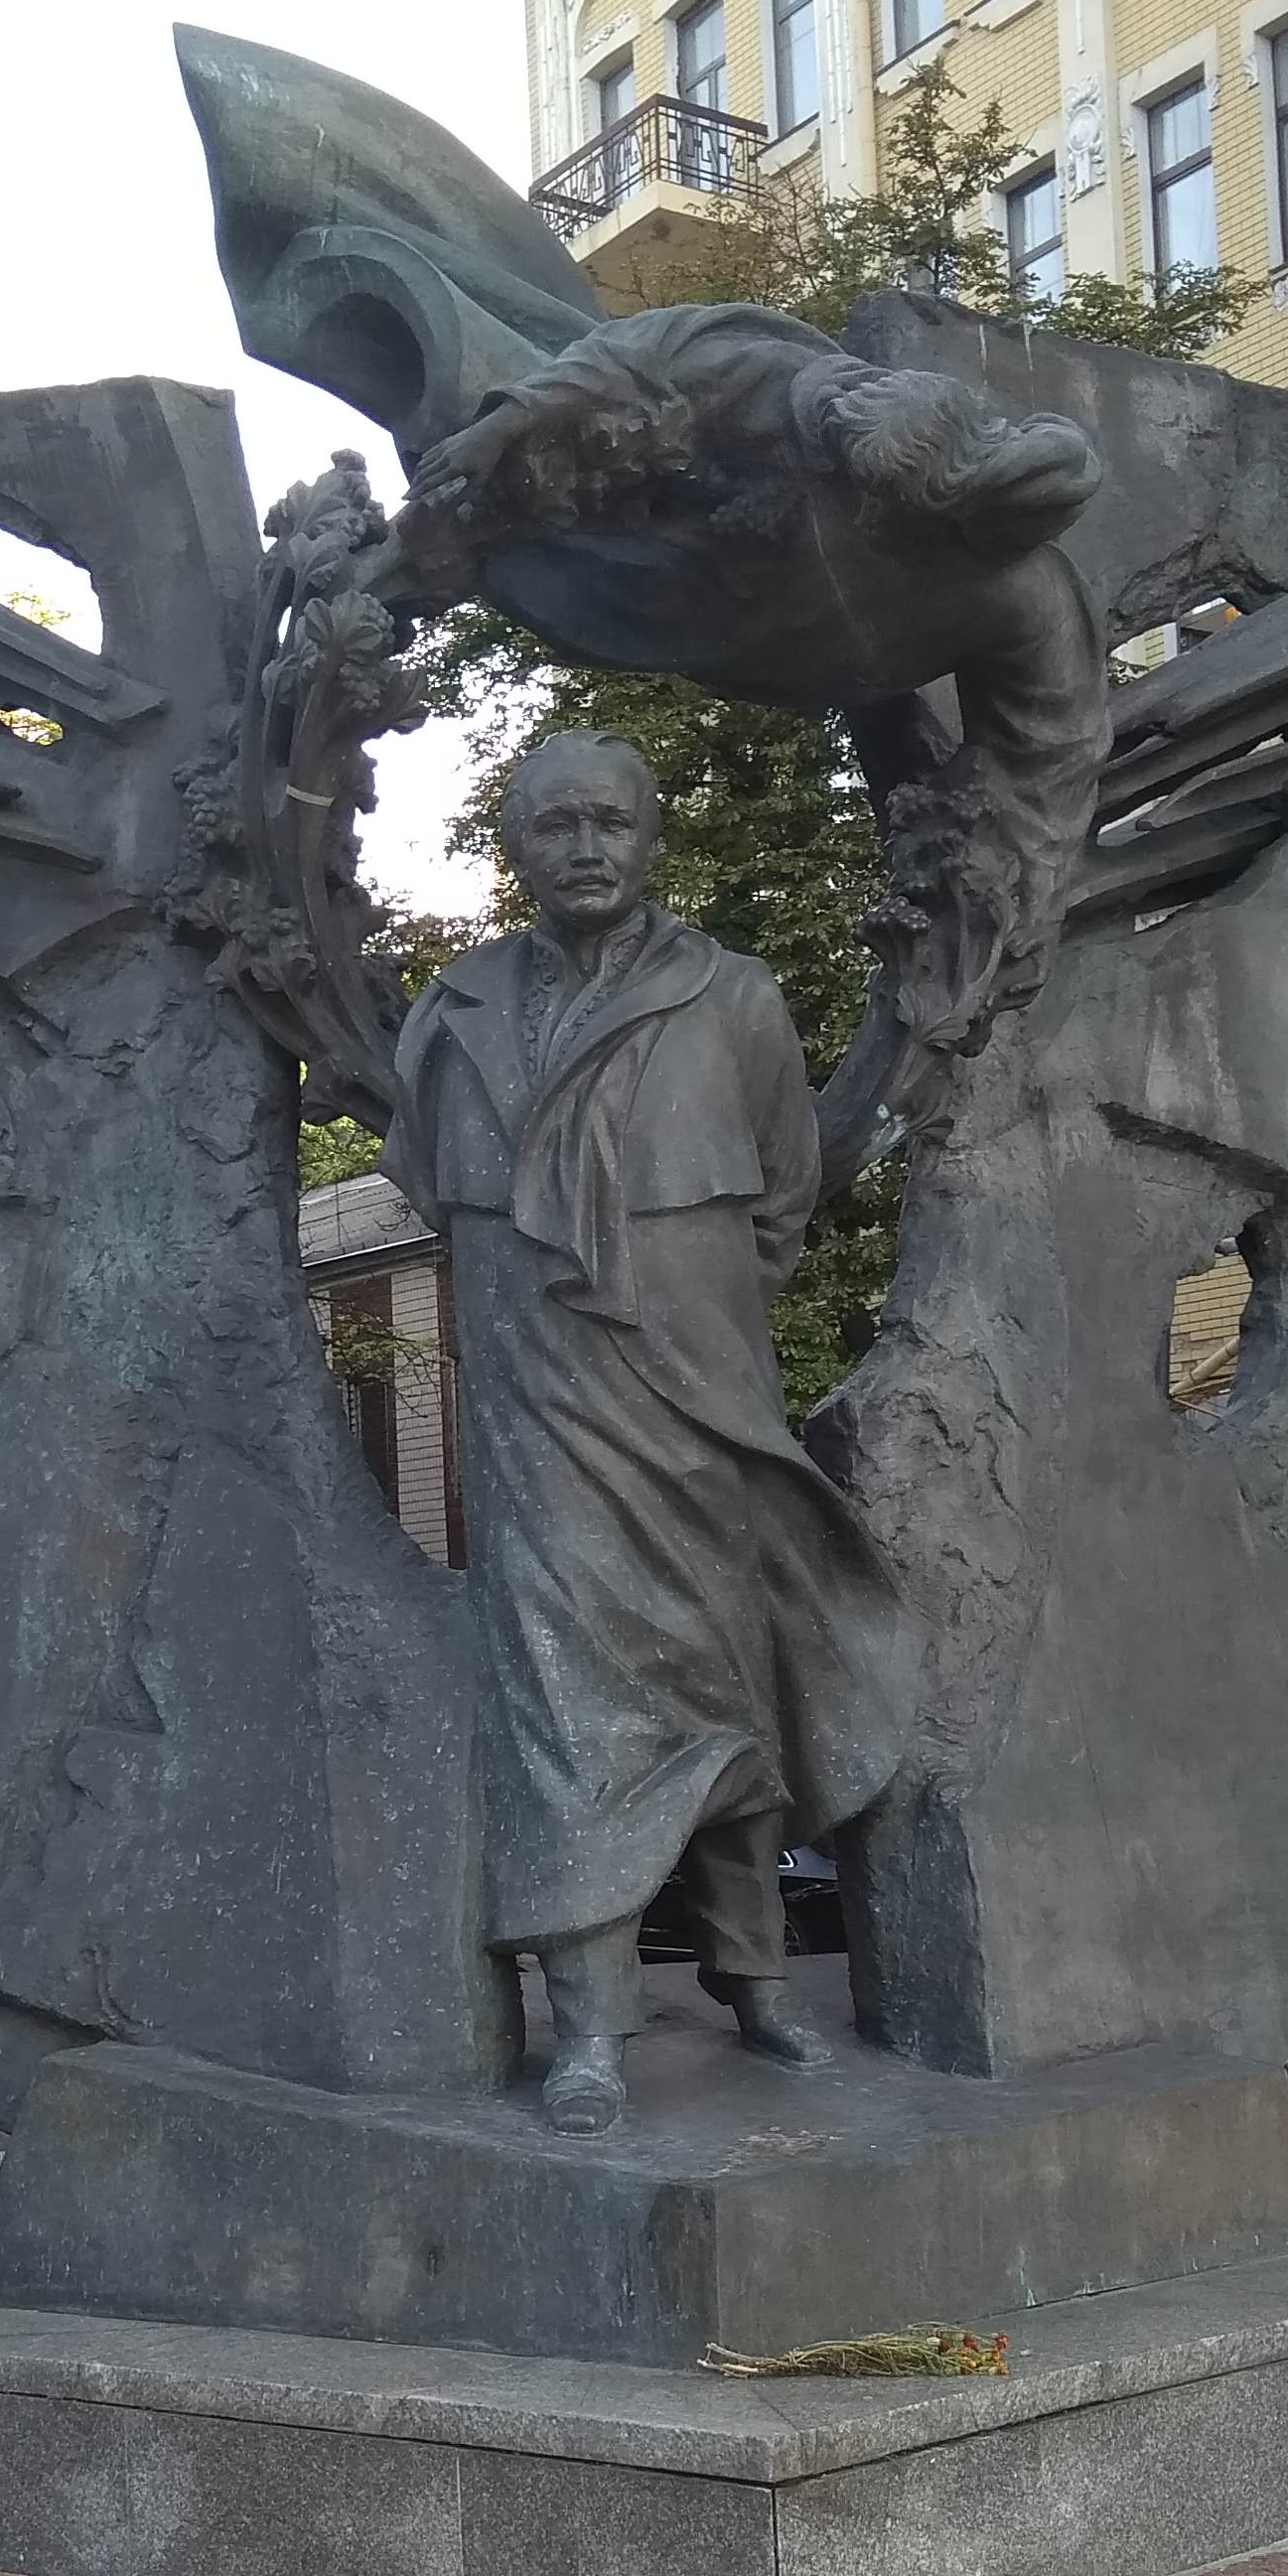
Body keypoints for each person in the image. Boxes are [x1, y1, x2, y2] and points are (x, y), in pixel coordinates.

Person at [383, 730, 916, 2135]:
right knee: (562, 1711)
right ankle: (589, 2029)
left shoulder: (730, 998)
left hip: (696, 1399)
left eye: (611, 822)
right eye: (555, 825)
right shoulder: (457, 1009)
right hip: (536, 1416)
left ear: (650, 837)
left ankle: (755, 1983)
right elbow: (428, 1195)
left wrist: (695, 1312)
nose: (586, 848)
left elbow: (787, 1193)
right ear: (513, 847)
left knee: (724, 1693)